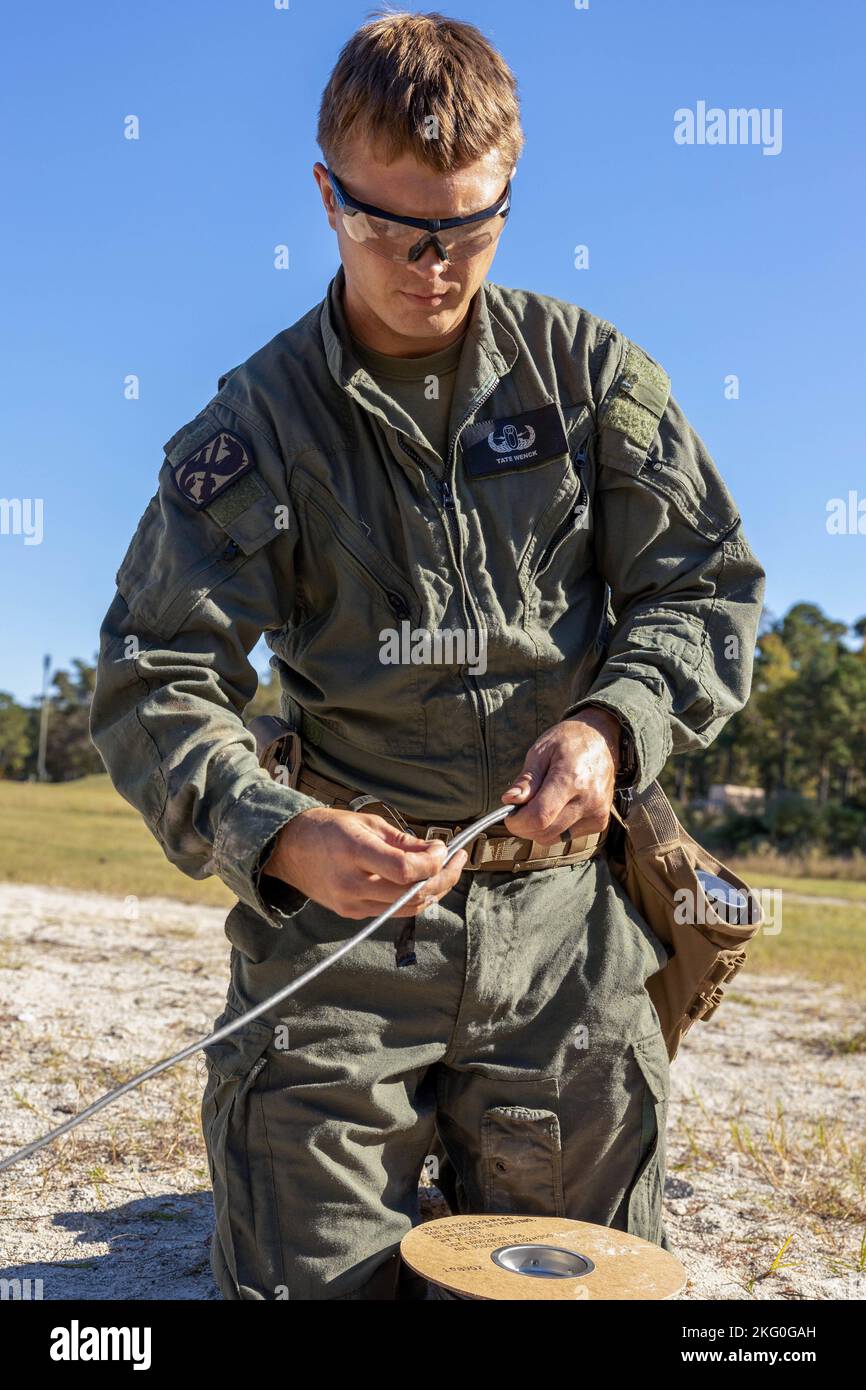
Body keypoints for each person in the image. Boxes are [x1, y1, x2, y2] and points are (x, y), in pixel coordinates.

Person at [91, 10, 766, 1301]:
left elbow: (703, 583)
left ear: (508, 193)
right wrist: (279, 830)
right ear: (323, 192)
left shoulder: (589, 379)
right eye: (389, 223)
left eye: (467, 223)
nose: (430, 261)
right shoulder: (257, 425)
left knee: (582, 1285)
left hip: (562, 925)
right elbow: (150, 663)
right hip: (347, 937)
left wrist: (615, 726)